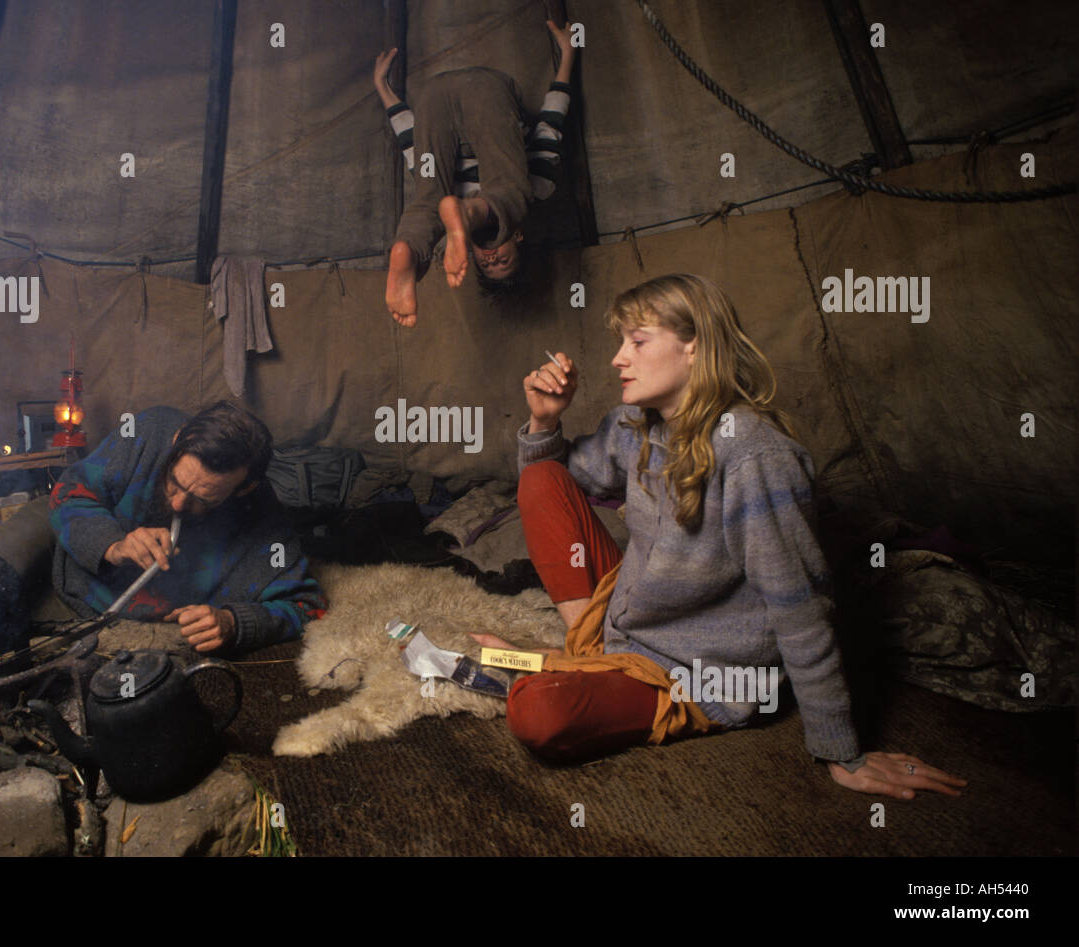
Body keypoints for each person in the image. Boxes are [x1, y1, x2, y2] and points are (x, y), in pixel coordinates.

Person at [477, 274, 966, 801]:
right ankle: (584, 654)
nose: (618, 358)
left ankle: (558, 670)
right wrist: (544, 421)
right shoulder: (634, 425)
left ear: (695, 347)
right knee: (541, 476)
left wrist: (840, 749)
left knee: (540, 712)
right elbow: (560, 491)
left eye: (637, 342)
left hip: (696, 676)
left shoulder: (756, 455)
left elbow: (800, 607)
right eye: (621, 342)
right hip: (626, 629)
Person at [47, 402, 325, 655]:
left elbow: (306, 606)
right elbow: (67, 492)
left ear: (245, 488)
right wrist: (112, 544)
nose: (178, 504)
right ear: (177, 440)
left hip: (165, 639)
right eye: (175, 481)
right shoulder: (147, 431)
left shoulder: (264, 514)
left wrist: (235, 623)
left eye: (202, 499)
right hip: (76, 599)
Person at [376, 19, 576, 327]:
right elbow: (551, 123)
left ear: (471, 253)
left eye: (487, 264)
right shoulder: (540, 186)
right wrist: (568, 55)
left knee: (429, 197)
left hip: (434, 103)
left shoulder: (449, 209)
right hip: (485, 98)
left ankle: (410, 248)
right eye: (503, 260)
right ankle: (469, 214)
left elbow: (411, 146)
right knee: (516, 191)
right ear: (518, 237)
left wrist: (384, 89)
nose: (492, 258)